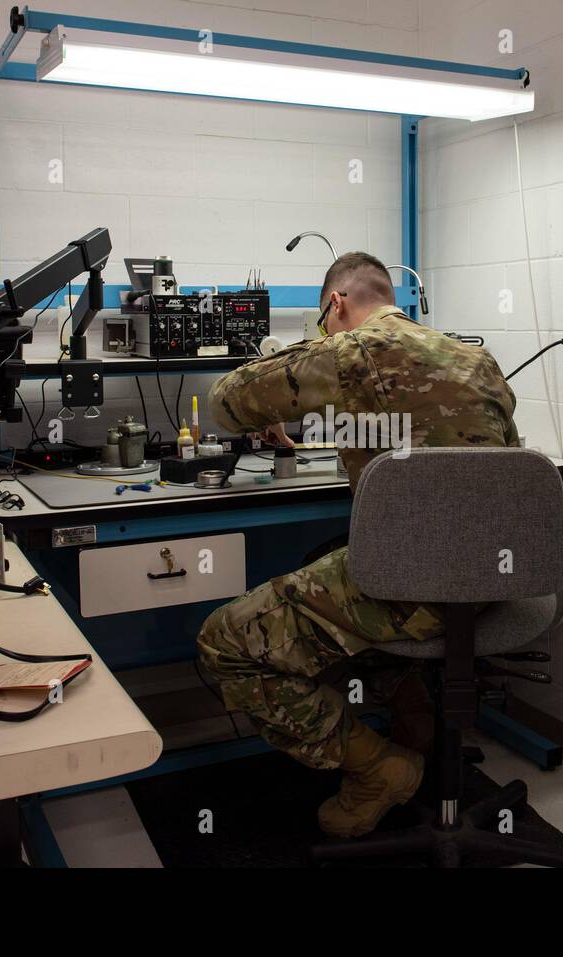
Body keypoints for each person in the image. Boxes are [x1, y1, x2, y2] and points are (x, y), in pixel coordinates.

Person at [196, 251, 520, 838]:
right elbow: (488, 467)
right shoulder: (480, 363)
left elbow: (223, 403)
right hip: (494, 584)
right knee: (318, 562)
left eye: (325, 320)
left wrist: (295, 366)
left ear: (336, 304)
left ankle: (379, 767)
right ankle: (414, 718)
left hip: (409, 590)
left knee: (223, 641)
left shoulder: (349, 351)